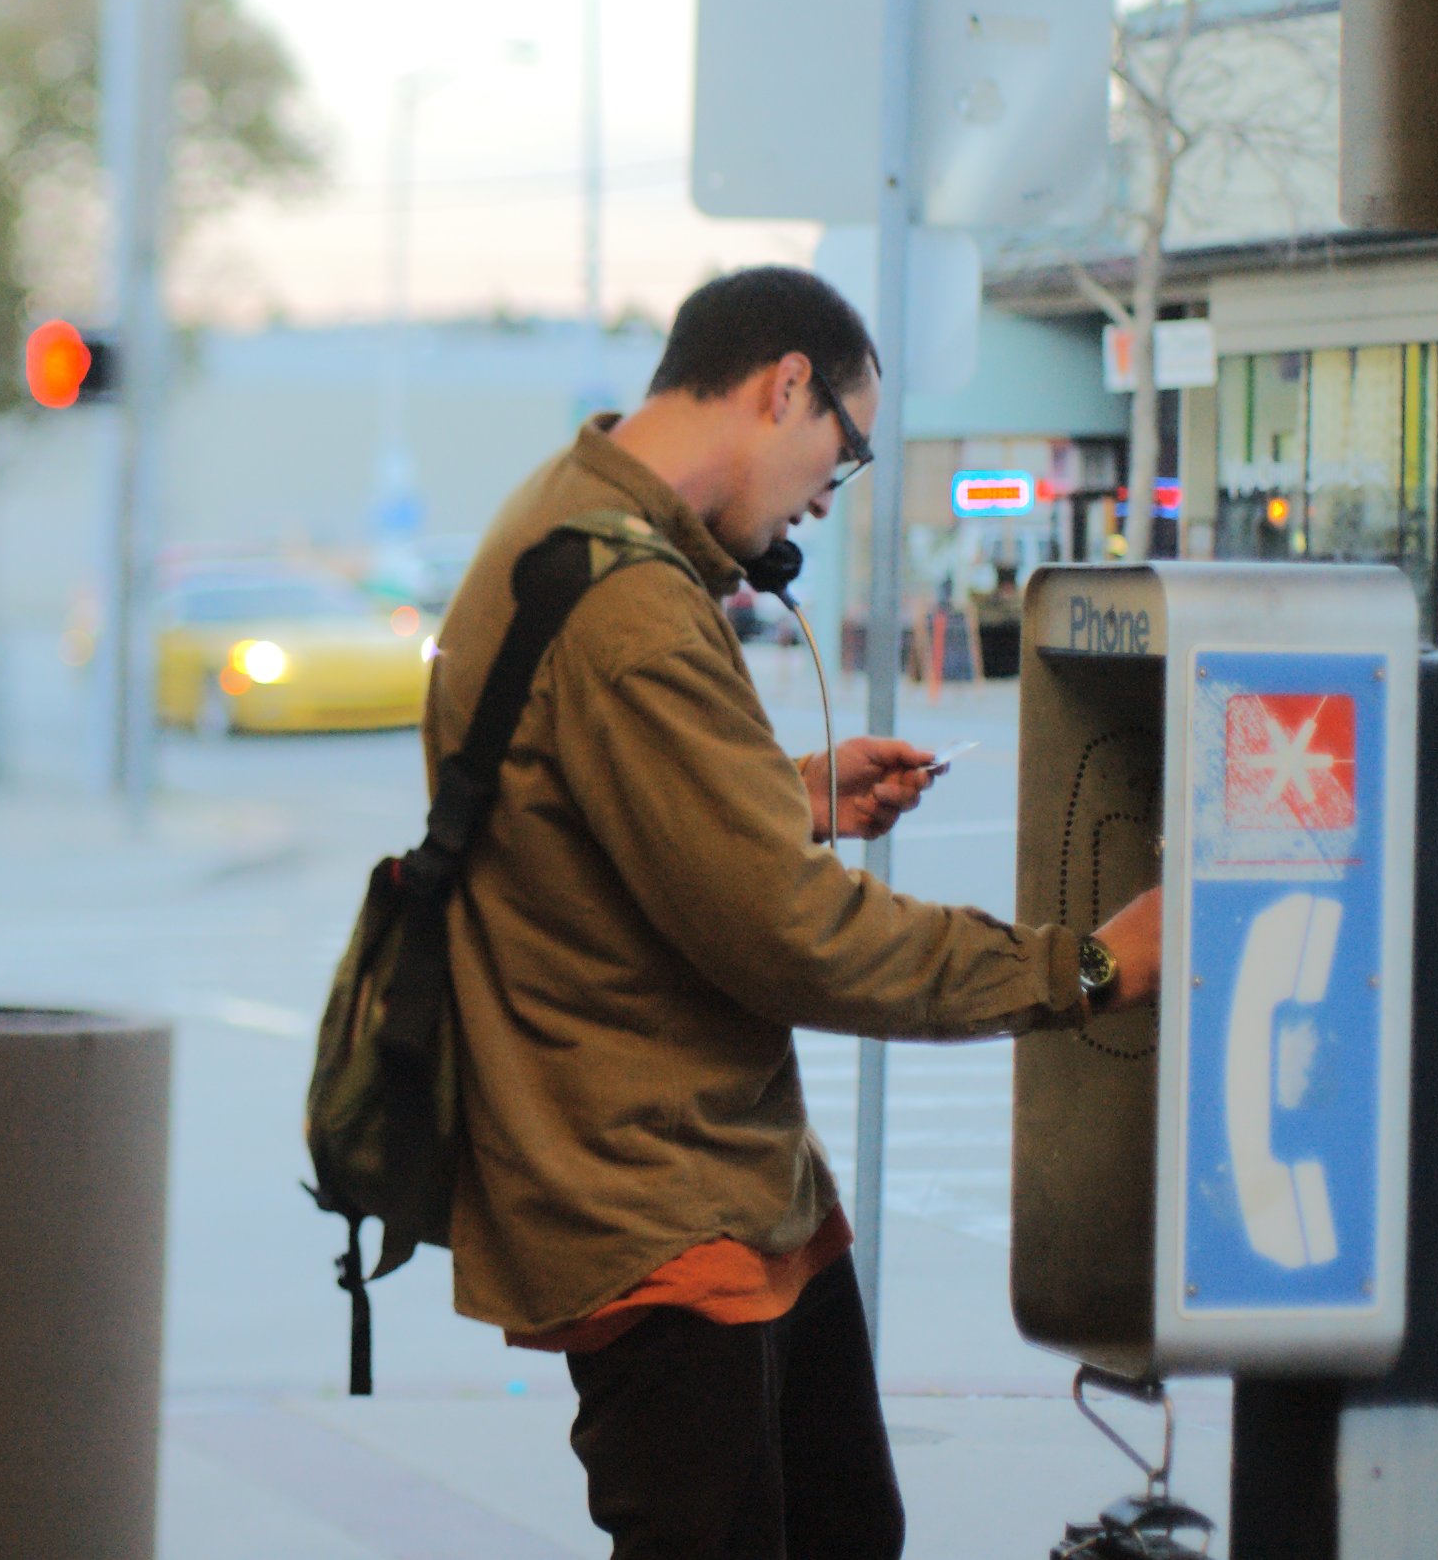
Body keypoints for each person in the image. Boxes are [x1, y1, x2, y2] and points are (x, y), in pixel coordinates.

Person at [425, 266, 1163, 1560]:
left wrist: (785, 794)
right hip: (650, 1196)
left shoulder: (575, 523)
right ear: (783, 386)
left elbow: (591, 806)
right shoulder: (629, 601)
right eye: (845, 450)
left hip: (727, 1181)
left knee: (842, 1528)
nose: (828, 495)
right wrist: (1090, 964)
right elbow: (797, 936)